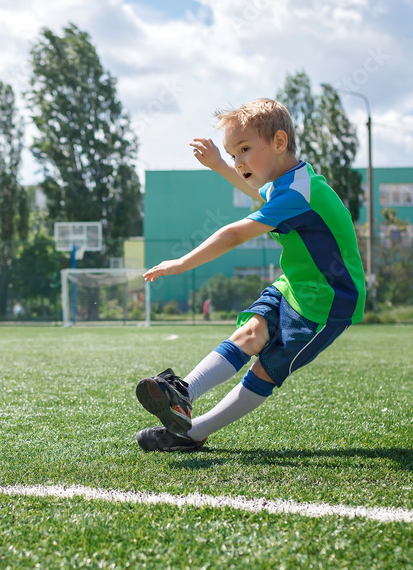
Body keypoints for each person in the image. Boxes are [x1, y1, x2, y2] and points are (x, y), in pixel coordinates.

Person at [134, 98, 366, 452]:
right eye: (232, 154)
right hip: (293, 287)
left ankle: (192, 433)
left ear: (278, 142)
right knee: (250, 332)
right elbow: (257, 193)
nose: (237, 161)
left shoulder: (299, 192)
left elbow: (233, 234)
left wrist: (179, 263)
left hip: (327, 301)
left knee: (265, 369)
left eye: (244, 149)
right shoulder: (288, 181)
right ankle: (184, 392)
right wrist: (217, 166)